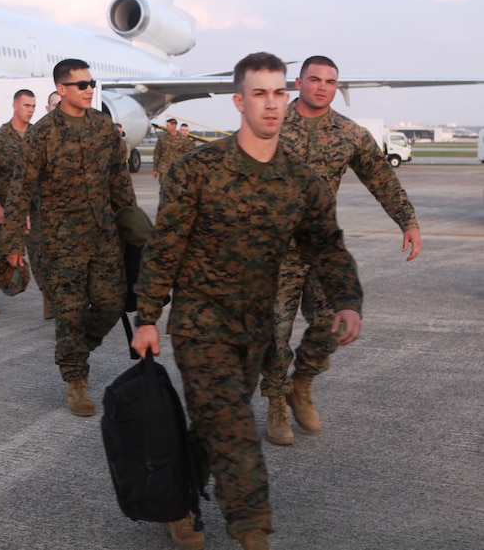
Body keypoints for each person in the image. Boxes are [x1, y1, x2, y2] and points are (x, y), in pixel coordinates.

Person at [131, 52, 363, 550]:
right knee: (236, 432)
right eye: (259, 93)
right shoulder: (199, 169)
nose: (272, 103)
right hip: (200, 325)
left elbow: (326, 244)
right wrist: (147, 316)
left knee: (216, 422)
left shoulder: (301, 181)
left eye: (279, 92)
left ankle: (176, 499)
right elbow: (165, 245)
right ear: (239, 101)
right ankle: (252, 532)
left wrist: (346, 299)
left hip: (255, 329)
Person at [260, 55, 422, 446]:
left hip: (321, 250)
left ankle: (303, 381)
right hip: (275, 252)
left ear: (337, 87)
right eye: (313, 79)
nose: (321, 87)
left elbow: (381, 178)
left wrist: (409, 222)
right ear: (298, 83)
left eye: (330, 81)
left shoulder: (350, 133)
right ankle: (276, 401)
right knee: (274, 334)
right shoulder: (269, 124)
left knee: (332, 323)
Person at [1, 59, 135, 417]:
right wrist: (13, 243)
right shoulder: (42, 133)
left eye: (91, 82)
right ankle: (76, 379)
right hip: (61, 241)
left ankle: (77, 347)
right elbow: (19, 189)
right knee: (70, 313)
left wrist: (133, 230)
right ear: (61, 90)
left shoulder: (105, 129)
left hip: (104, 236)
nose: (90, 89)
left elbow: (120, 184)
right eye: (81, 84)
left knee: (111, 304)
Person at [0, 89, 36, 315]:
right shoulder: (0, 137)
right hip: (4, 206)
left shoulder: (36, 136)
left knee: (40, 253)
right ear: (15, 106)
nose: (30, 110)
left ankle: (49, 300)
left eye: (33, 106)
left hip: (32, 207)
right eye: (26, 105)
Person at [152, 117, 194, 185]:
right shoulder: (162, 139)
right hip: (164, 169)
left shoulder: (183, 140)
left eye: (168, 126)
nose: (166, 127)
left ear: (174, 126)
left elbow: (187, 156)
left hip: (178, 169)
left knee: (177, 189)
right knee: (163, 188)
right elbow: (157, 154)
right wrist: (155, 169)